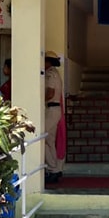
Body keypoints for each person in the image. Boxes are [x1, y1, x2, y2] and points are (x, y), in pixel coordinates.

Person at [44, 51, 66, 184]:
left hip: (51, 109)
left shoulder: (51, 74)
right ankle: (55, 169)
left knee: (43, 137)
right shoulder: (55, 73)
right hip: (54, 109)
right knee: (50, 140)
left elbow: (50, 93)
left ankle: (53, 168)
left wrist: (39, 99)